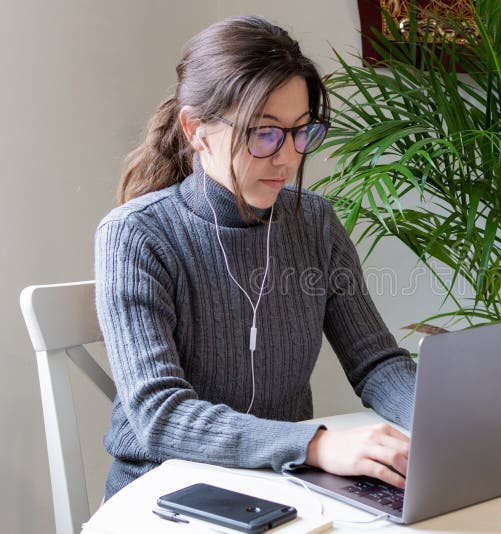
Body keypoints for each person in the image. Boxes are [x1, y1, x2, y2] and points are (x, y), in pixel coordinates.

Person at [95, 15, 417, 500]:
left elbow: (377, 363)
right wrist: (314, 444)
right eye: (263, 133)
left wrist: (445, 425)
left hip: (284, 485)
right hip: (166, 492)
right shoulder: (136, 235)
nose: (288, 157)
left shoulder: (315, 222)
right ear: (195, 128)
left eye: (302, 131)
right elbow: (159, 415)